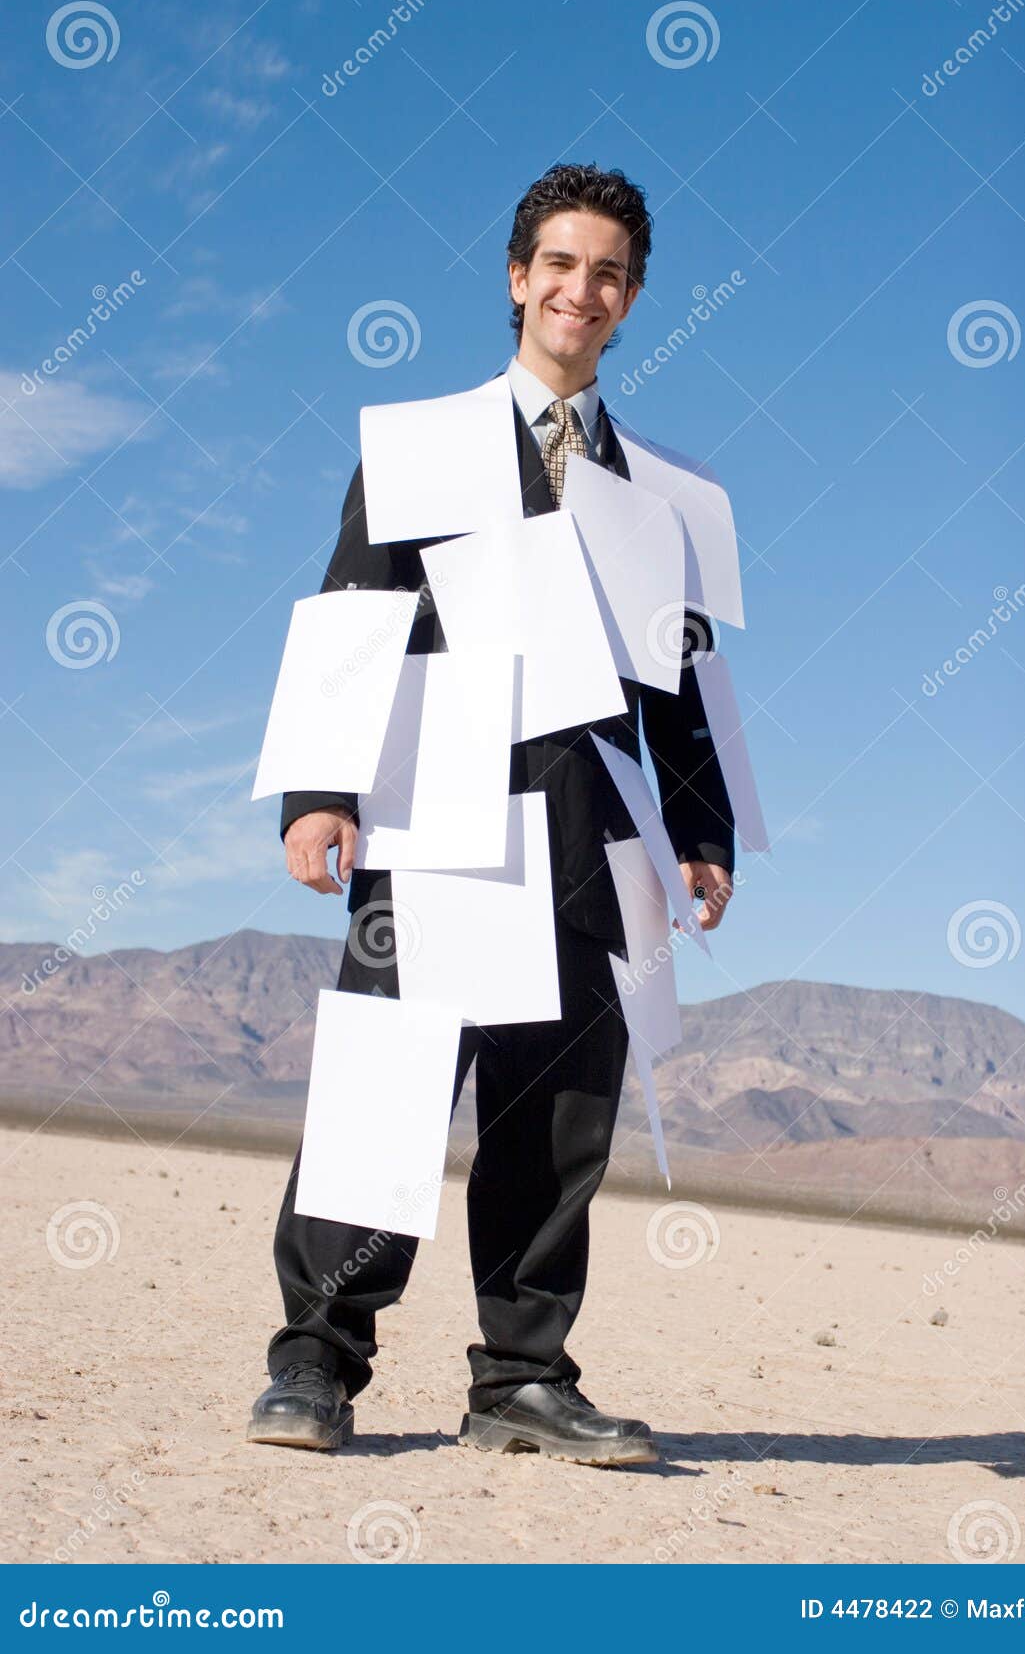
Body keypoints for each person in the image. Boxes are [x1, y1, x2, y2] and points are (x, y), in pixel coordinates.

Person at [248, 162, 735, 1466]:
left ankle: (520, 1375)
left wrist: (701, 831)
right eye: (562, 264)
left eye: (612, 273)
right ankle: (314, 1358)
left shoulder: (662, 497)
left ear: (631, 302)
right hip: (438, 813)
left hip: (593, 825)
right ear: (519, 278)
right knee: (387, 1090)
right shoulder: (424, 448)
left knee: (561, 1108)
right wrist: (321, 791)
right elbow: (358, 610)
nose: (585, 289)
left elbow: (678, 674)